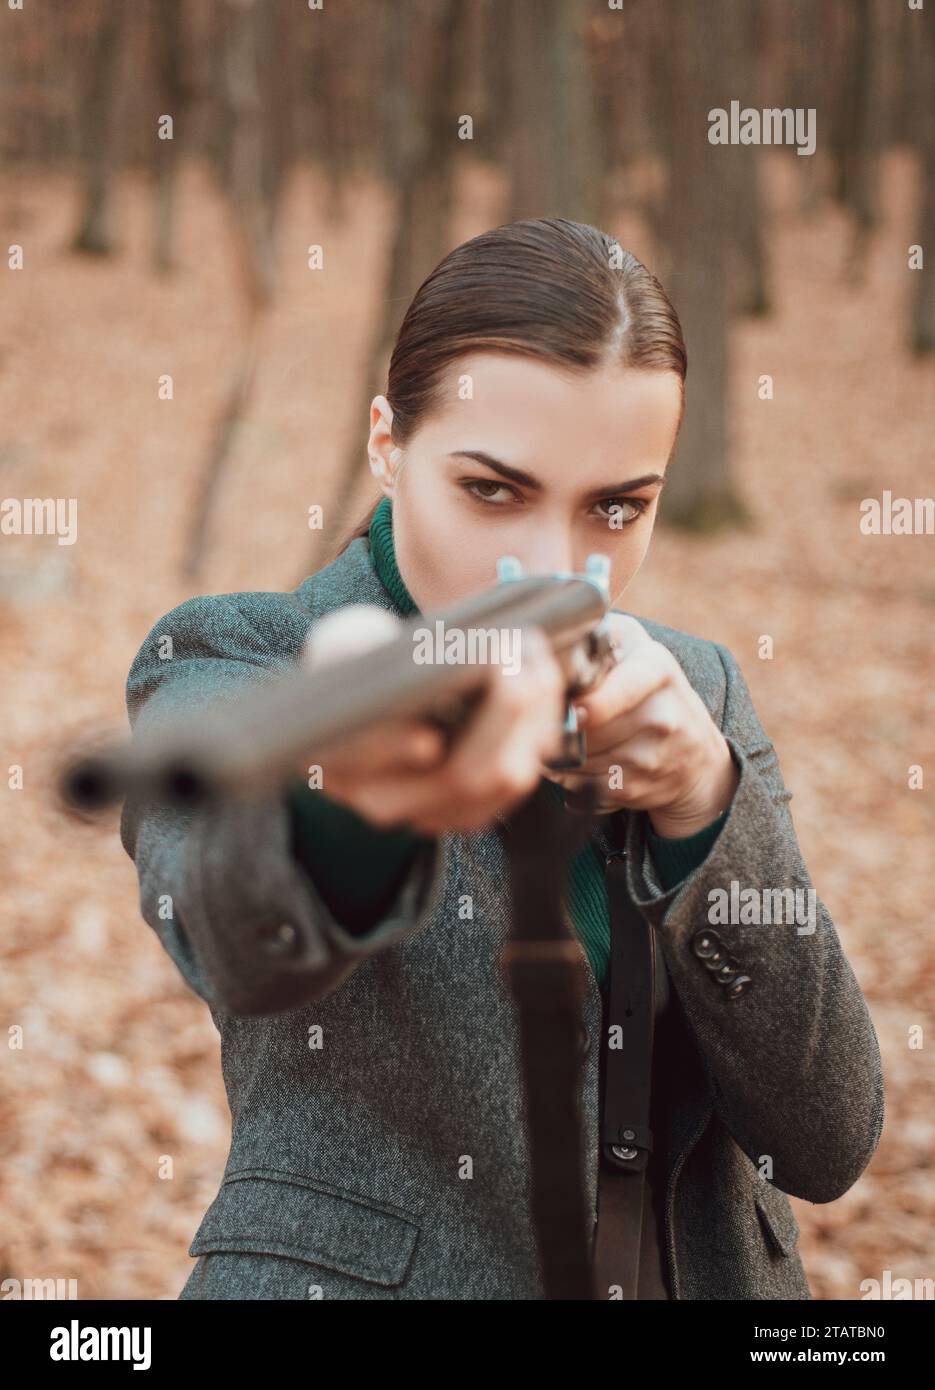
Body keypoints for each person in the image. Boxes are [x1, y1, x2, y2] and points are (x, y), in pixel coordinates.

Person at [120, 217, 884, 1300]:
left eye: (615, 507)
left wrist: (704, 805)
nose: (555, 561)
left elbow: (826, 1135)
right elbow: (230, 924)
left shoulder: (696, 690)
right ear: (386, 443)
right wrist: (359, 810)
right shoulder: (243, 653)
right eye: (491, 490)